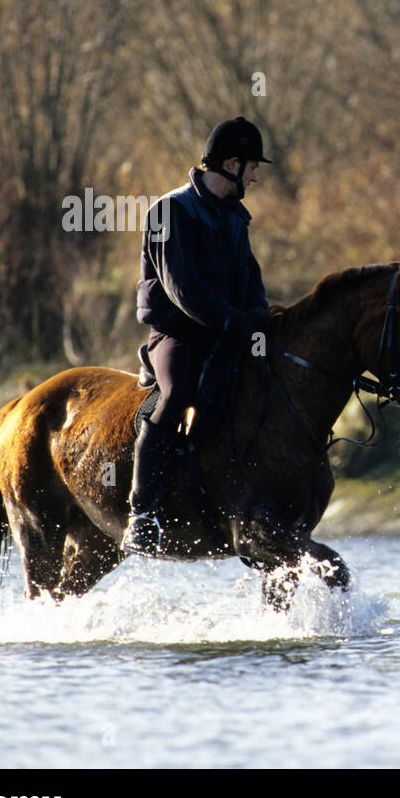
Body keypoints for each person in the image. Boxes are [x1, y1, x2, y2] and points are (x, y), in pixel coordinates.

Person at [121, 116, 274, 555]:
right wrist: (235, 322)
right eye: (252, 167)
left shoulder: (234, 217)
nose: (256, 176)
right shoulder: (170, 211)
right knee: (178, 392)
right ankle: (142, 513)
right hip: (178, 333)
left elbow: (251, 280)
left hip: (226, 332)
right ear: (231, 163)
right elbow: (183, 291)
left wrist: (261, 318)